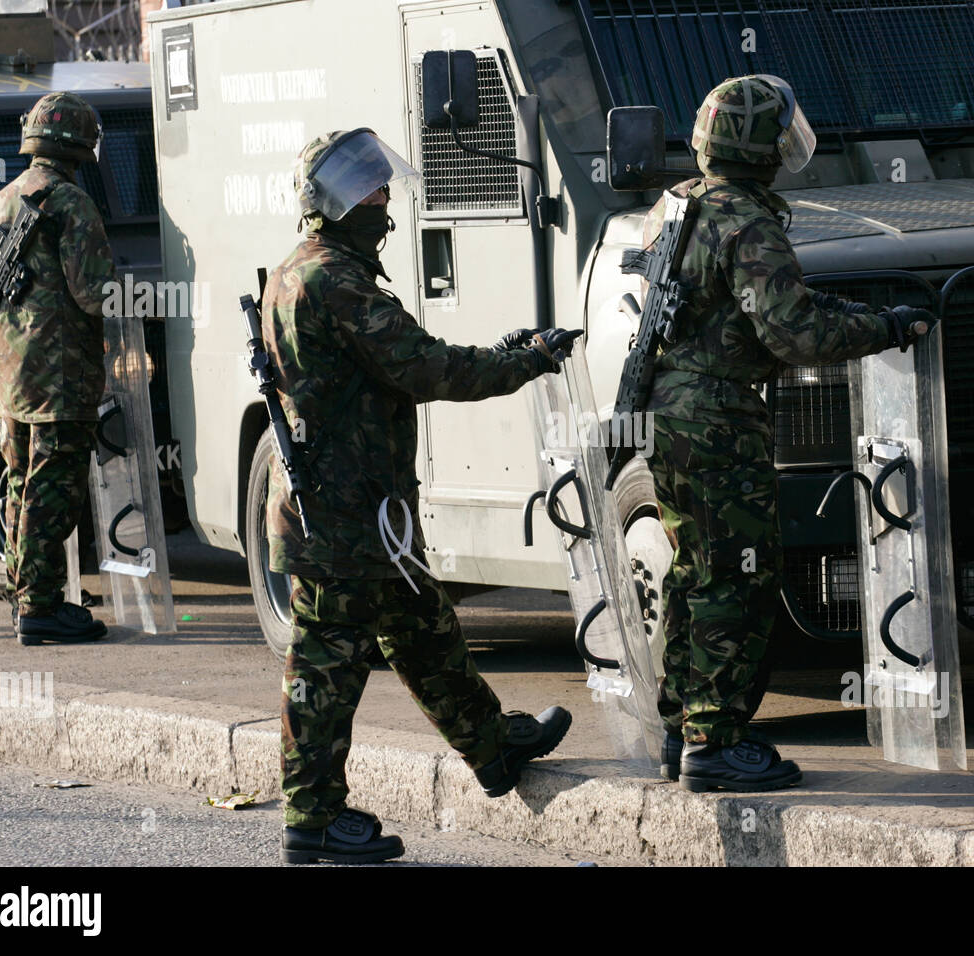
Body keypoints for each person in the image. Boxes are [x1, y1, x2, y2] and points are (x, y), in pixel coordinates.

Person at [267, 129, 582, 864]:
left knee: (422, 627)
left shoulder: (305, 270)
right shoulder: (334, 279)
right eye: (374, 191)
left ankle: (494, 747)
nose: (385, 202)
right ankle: (312, 819)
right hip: (344, 516)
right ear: (341, 202)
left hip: (358, 510)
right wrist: (526, 362)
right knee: (325, 665)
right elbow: (429, 370)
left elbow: (396, 365)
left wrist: (504, 353)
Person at [643, 76, 933, 792]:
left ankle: (681, 727)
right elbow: (792, 332)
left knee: (693, 572)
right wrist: (887, 328)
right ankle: (714, 742)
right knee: (736, 579)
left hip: (671, 415)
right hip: (718, 421)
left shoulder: (683, 207)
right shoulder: (748, 221)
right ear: (760, 146)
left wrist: (841, 308)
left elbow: (748, 309)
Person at [0, 92, 113, 646]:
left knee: (20, 482)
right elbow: (92, 294)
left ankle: (23, 595)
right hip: (60, 377)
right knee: (52, 490)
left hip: (11, 374)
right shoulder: (71, 205)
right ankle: (40, 607)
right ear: (79, 145)